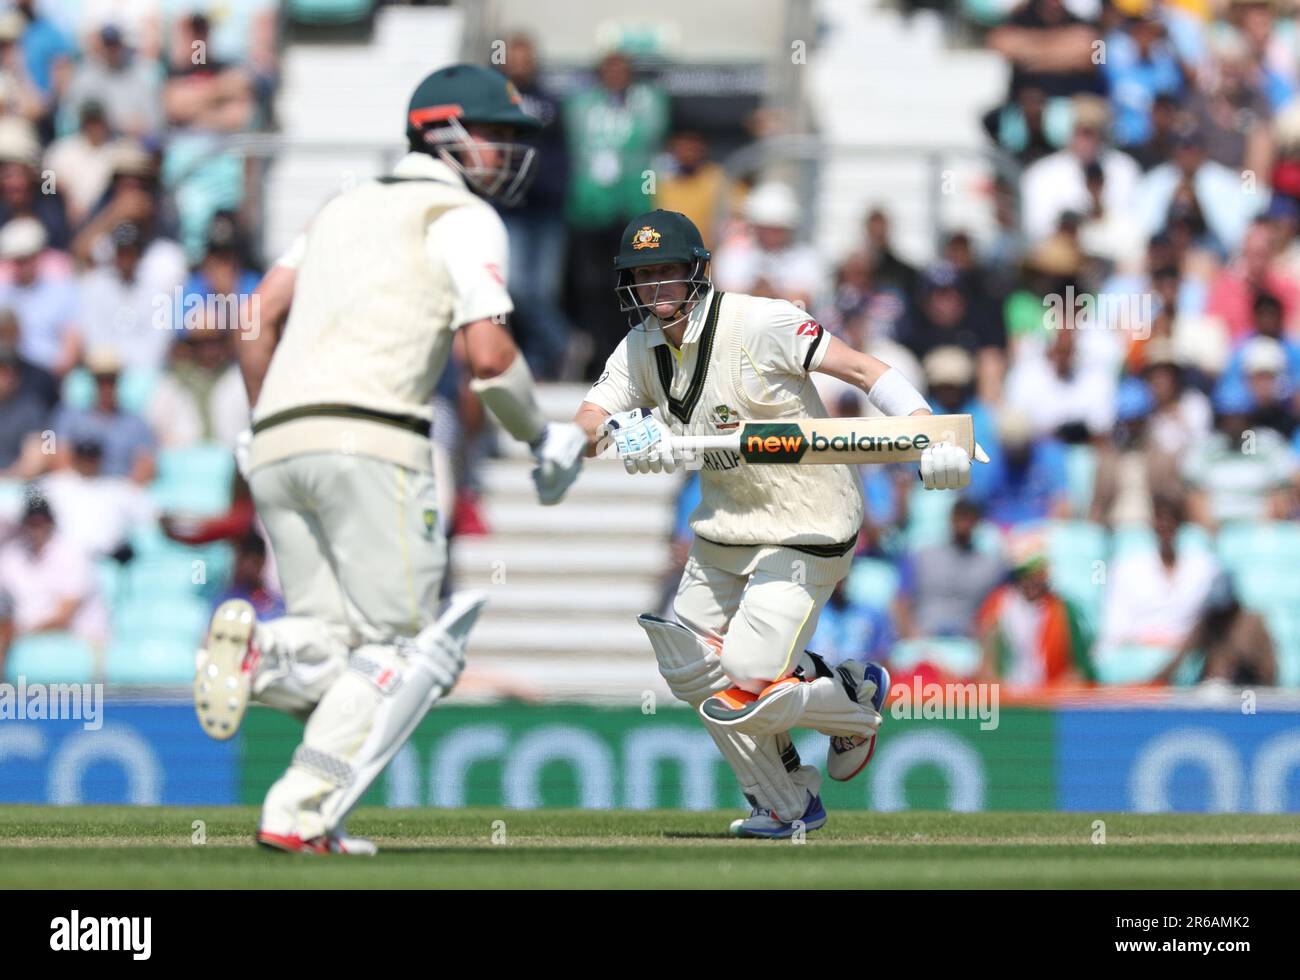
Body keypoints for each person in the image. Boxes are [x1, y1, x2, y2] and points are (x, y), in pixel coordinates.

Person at [194, 64, 587, 855]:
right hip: (375, 441)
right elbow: (486, 351)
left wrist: (262, 421)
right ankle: (299, 811)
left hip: (279, 445)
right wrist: (542, 439)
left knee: (337, 642)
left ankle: (266, 655)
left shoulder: (340, 205)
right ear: (443, 132)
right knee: (409, 651)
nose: (510, 151)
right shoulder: (463, 215)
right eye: (497, 133)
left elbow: (251, 319)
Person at [572, 208, 977, 838]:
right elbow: (590, 417)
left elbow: (865, 371)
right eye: (642, 276)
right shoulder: (639, 350)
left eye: (666, 273)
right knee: (688, 665)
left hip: (811, 517)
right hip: (727, 523)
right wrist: (619, 431)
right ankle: (787, 801)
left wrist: (926, 431)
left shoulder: (759, 321)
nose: (655, 289)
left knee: (751, 676)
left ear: (696, 273)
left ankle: (852, 703)